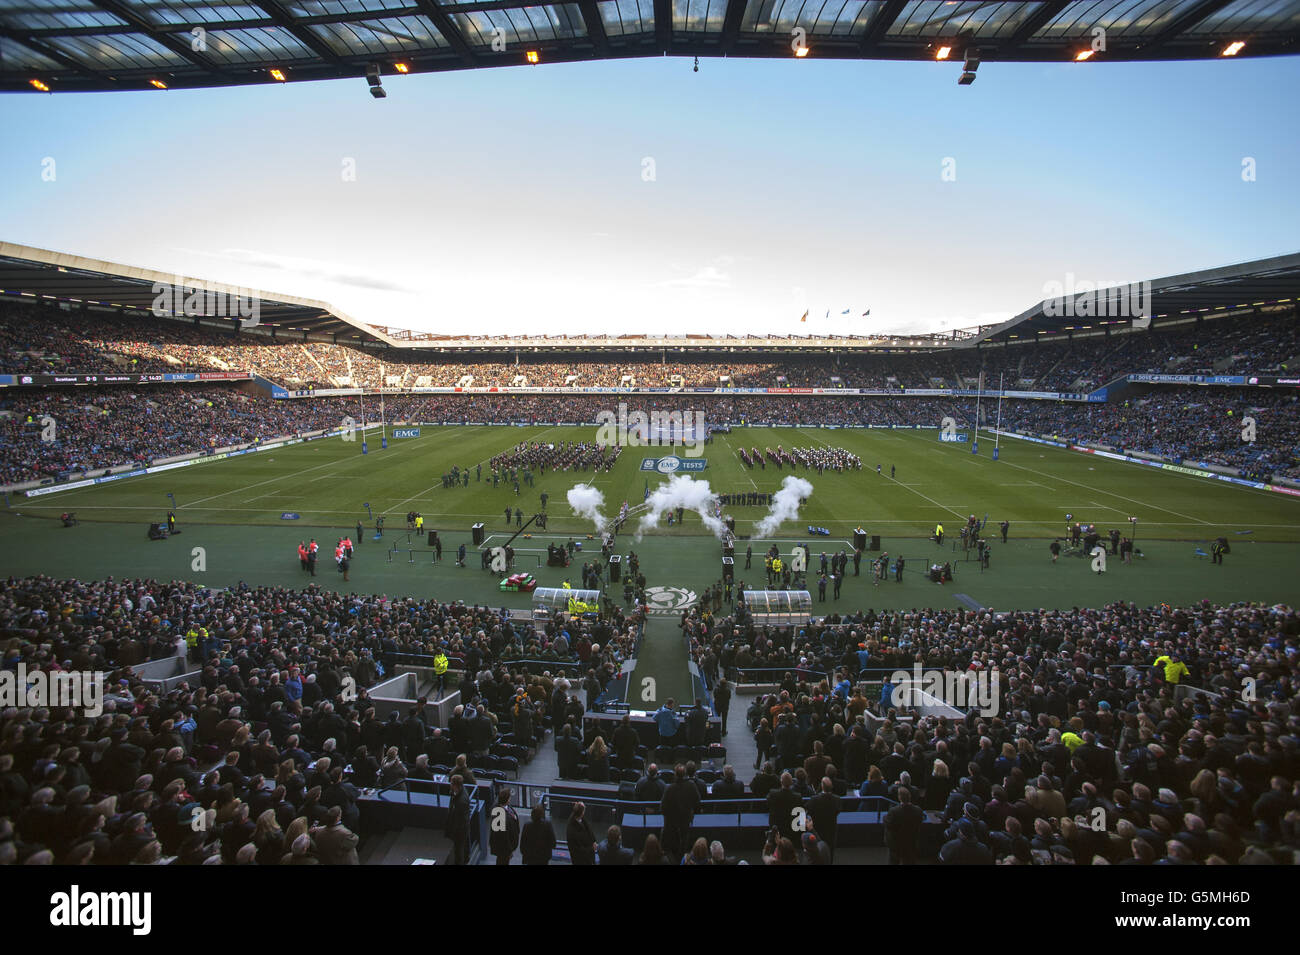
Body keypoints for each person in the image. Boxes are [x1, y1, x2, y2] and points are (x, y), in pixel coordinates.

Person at [489, 786, 520, 865]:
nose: (510, 799)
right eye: (509, 798)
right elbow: (503, 837)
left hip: (507, 846)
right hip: (504, 849)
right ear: (506, 799)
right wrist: (509, 851)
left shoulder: (503, 807)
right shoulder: (500, 816)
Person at [445, 774, 471, 865]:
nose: (450, 785)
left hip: (460, 830)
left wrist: (453, 831)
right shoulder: (456, 792)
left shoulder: (461, 801)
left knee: (459, 850)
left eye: (451, 783)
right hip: (460, 827)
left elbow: (459, 819)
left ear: (456, 785)